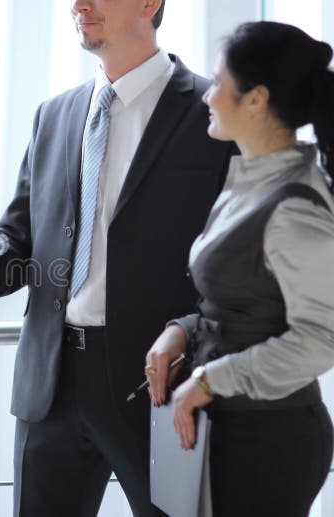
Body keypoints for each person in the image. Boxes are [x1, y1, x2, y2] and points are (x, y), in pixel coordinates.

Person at [0, 0, 234, 515]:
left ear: (150, 3)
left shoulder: (212, 113)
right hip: (52, 381)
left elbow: (237, 261)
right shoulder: (55, 114)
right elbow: (19, 237)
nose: (76, 5)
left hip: (160, 381)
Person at [146, 21, 334, 517]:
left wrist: (208, 380)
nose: (208, 96)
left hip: (268, 438)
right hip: (231, 427)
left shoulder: (295, 207)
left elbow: (322, 339)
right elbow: (241, 299)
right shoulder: (246, 182)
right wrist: (181, 331)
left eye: (218, 82)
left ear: (255, 99)